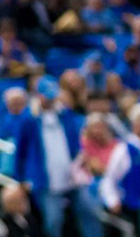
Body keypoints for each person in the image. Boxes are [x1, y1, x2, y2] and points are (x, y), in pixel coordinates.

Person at [14, 76, 102, 237]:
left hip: (72, 176)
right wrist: (20, 179)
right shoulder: (29, 119)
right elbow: (20, 151)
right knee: (54, 221)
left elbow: (75, 141)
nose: (50, 100)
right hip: (47, 181)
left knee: (89, 209)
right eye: (47, 96)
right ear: (38, 95)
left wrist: (81, 159)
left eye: (52, 96)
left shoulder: (65, 114)